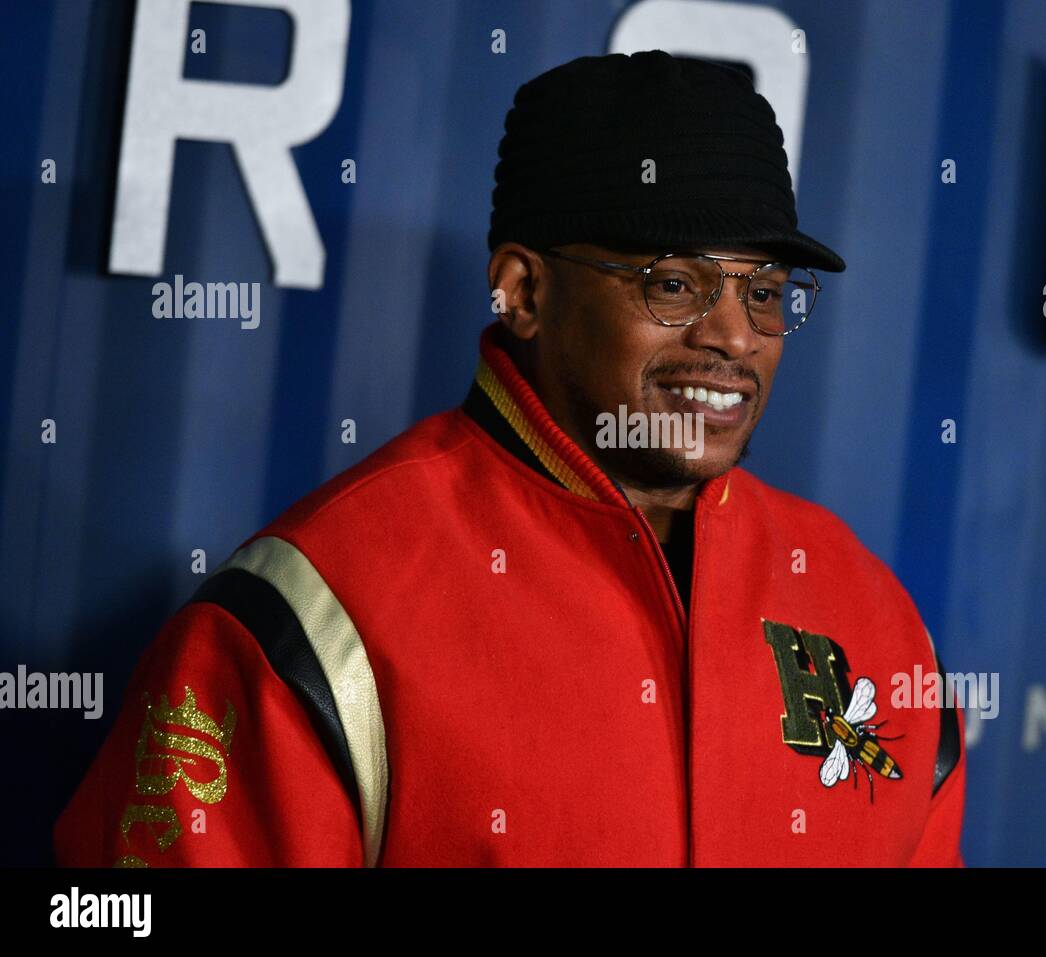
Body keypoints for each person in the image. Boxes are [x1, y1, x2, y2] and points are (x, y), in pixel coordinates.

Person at [54, 49, 966, 867]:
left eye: (764, 290)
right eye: (676, 283)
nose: (734, 335)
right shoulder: (313, 612)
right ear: (522, 290)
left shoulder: (871, 611)